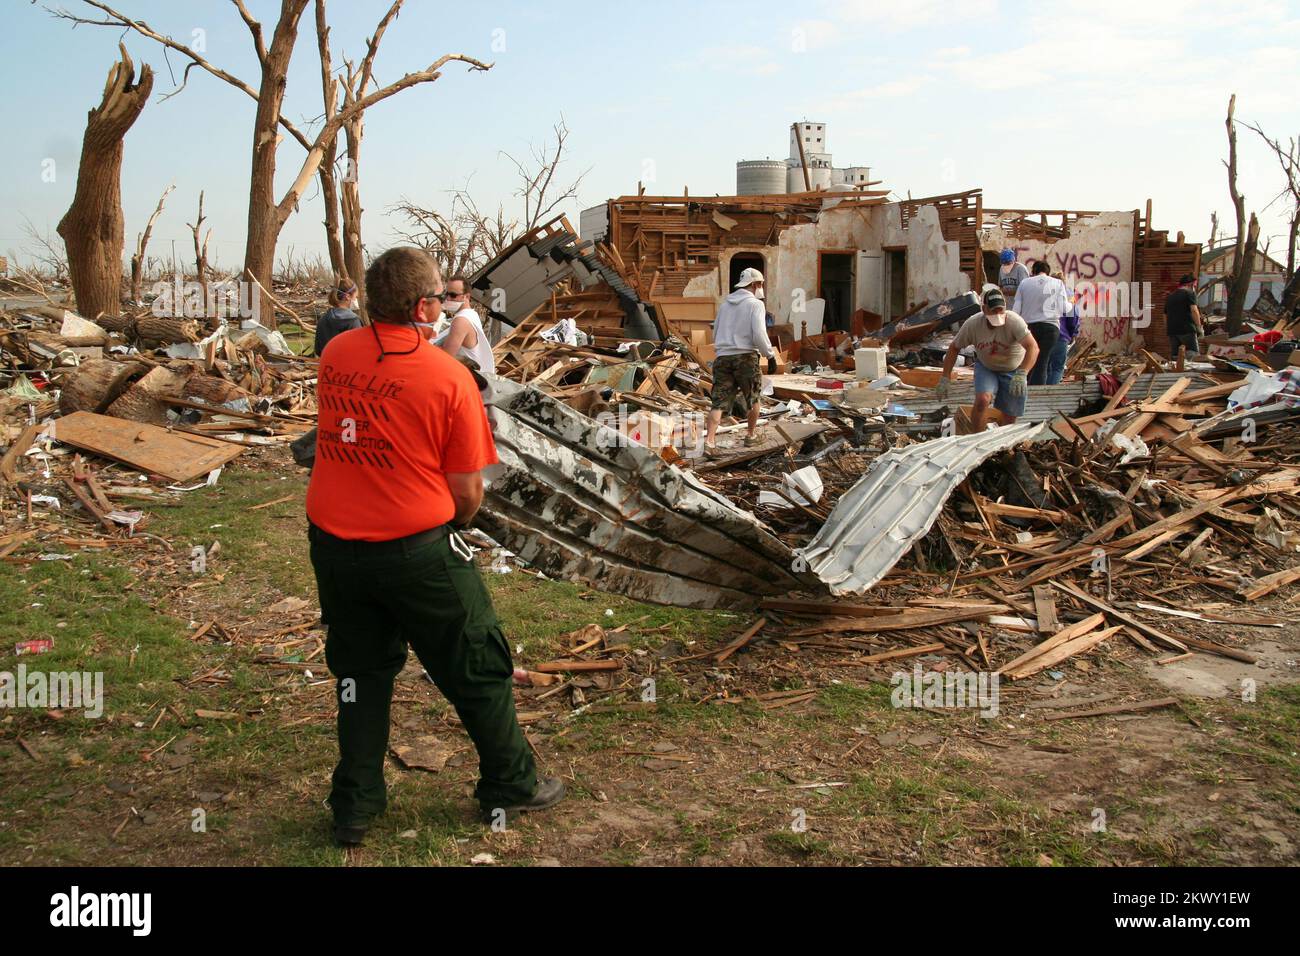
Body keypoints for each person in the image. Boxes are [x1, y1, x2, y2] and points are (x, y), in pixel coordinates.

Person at [305, 246, 563, 846]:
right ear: (424, 306)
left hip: (335, 547)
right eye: (440, 301)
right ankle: (511, 783)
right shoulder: (447, 377)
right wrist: (452, 519)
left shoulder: (337, 354)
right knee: (477, 662)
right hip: (416, 550)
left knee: (360, 674)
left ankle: (354, 806)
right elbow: (467, 493)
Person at [936, 288, 1039, 432]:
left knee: (1010, 414)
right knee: (982, 400)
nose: (998, 315)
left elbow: (1033, 347)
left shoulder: (1014, 321)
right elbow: (954, 348)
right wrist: (945, 377)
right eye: (993, 311)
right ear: (984, 309)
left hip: (1013, 369)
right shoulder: (973, 324)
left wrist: (1022, 372)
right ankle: (976, 439)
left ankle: (1002, 444)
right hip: (987, 367)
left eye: (1000, 311)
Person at [704, 267, 777, 457]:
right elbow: (759, 333)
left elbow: (715, 331)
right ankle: (750, 436)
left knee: (718, 402)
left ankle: (709, 442)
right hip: (746, 357)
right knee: (753, 398)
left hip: (723, 358)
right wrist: (769, 355)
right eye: (760, 284)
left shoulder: (725, 304)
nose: (761, 288)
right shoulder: (755, 304)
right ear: (754, 285)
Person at [436, 275, 496, 396]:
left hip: (470, 386)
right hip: (477, 383)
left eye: (453, 295)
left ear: (467, 296)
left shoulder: (461, 320)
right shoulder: (471, 315)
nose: (448, 298)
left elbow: (444, 358)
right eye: (446, 294)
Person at [1012, 260, 1069, 385]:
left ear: (1033, 272)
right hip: (1051, 328)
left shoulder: (1024, 283)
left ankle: (1023, 389)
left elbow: (1016, 310)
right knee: (1042, 361)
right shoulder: (1058, 283)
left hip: (1029, 328)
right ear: (1048, 272)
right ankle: (1037, 394)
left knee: (1027, 359)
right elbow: (1064, 308)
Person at [1045, 272, 1080, 385]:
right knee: (1057, 368)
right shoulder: (1068, 294)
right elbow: (1073, 316)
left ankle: (1042, 395)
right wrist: (1073, 333)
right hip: (1061, 336)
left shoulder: (1043, 293)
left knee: (1045, 367)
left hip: (1043, 335)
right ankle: (1052, 395)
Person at [314, 278, 361, 356]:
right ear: (348, 296)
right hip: (348, 366)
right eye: (355, 297)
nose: (356, 300)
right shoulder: (353, 321)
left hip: (327, 366)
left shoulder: (323, 319)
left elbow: (318, 350)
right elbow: (359, 351)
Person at [1164, 273, 1204, 357]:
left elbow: (1165, 315)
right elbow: (1194, 310)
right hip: (1187, 330)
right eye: (1195, 286)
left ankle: (1175, 370)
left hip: (1172, 331)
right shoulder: (1189, 293)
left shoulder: (1170, 297)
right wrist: (1199, 327)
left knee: (1176, 357)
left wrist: (1169, 328)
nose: (1195, 288)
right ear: (1191, 284)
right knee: (1193, 355)